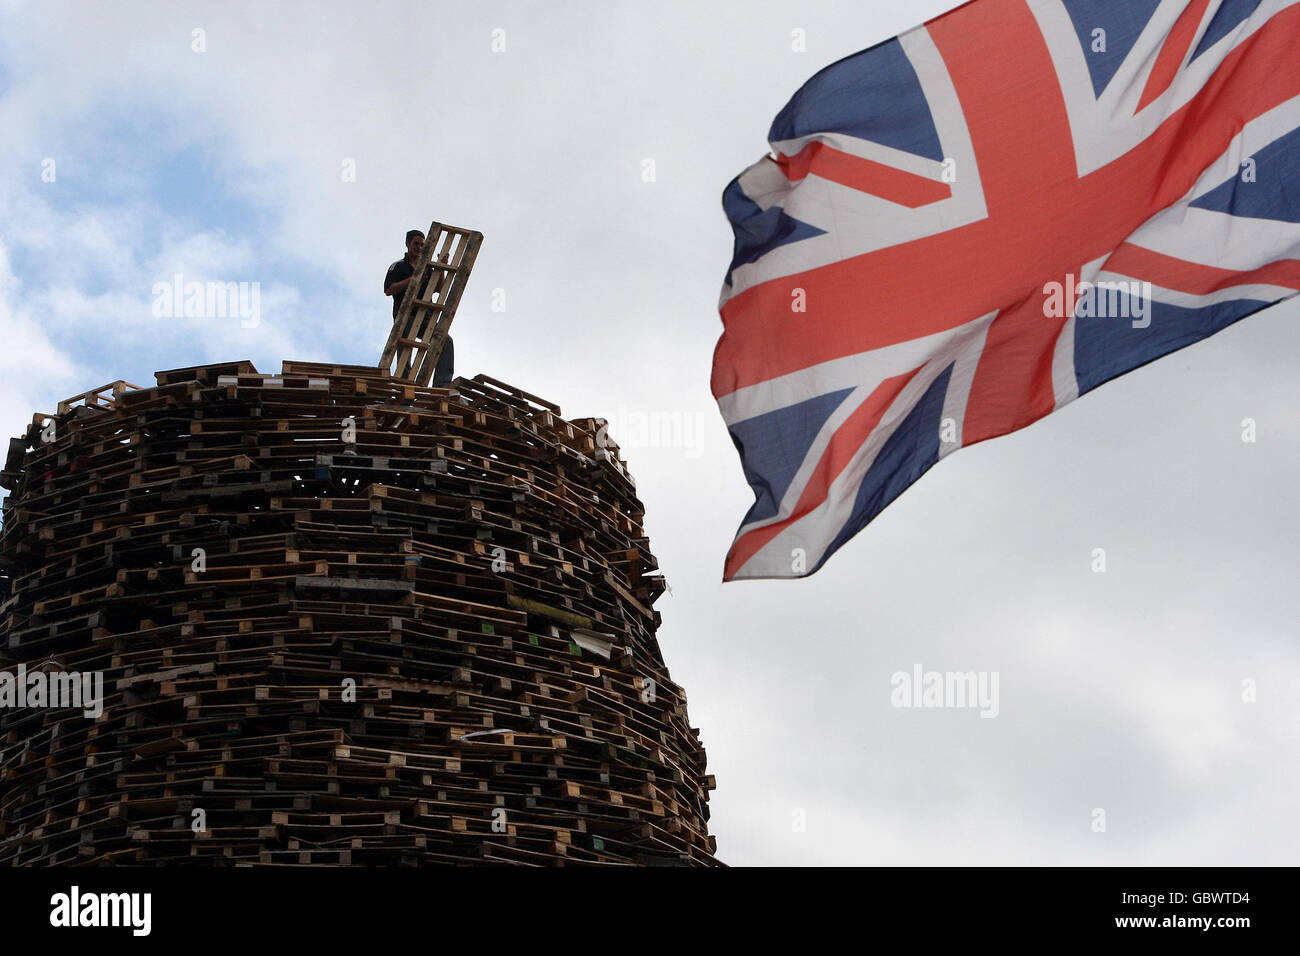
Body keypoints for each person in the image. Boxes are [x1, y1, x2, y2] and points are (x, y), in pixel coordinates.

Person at [385, 229, 454, 385]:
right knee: (405, 352)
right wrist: (412, 280)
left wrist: (441, 268)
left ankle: (441, 384)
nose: (419, 247)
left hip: (425, 316)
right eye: (416, 243)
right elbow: (389, 289)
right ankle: (404, 385)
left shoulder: (427, 268)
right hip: (406, 316)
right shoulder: (399, 266)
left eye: (422, 244)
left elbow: (439, 288)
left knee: (445, 341)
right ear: (407, 244)